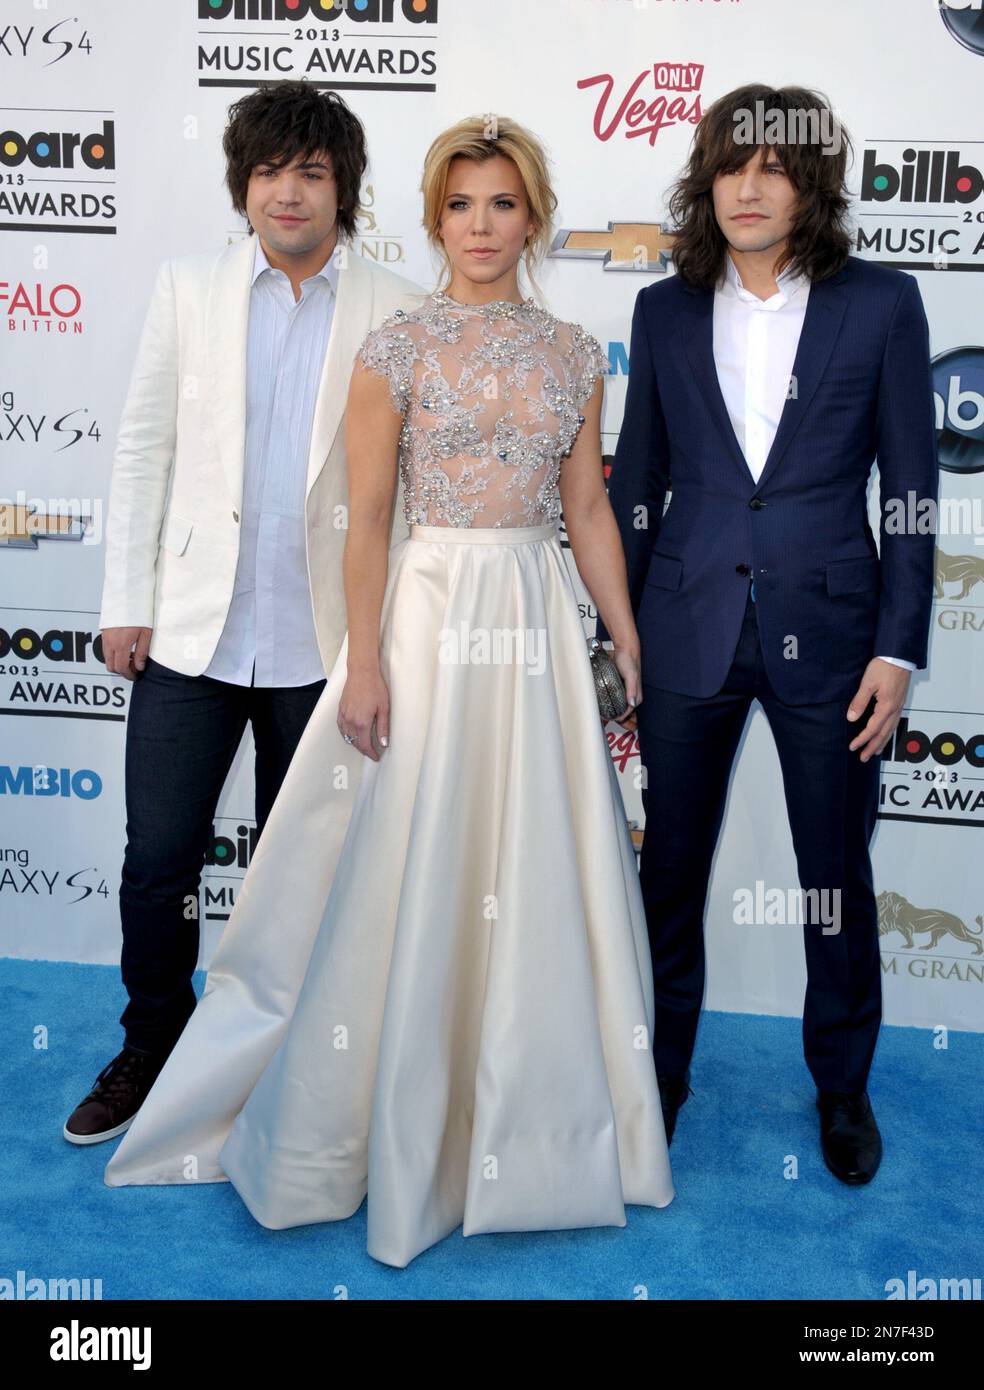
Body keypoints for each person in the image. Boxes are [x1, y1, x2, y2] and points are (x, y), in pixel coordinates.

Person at [100, 115, 675, 1268]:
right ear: (432, 219)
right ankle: (307, 1092)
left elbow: (590, 510)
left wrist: (623, 629)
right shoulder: (397, 346)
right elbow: (367, 521)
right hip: (424, 615)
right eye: (460, 206)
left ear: (533, 217)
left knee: (532, 863)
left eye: (502, 204)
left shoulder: (571, 351)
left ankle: (527, 1119)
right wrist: (365, 660)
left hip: (531, 624)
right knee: (400, 862)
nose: (480, 225)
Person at [64, 81, 424, 1145]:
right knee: (161, 855)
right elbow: (143, 450)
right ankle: (152, 1043)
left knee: (300, 866)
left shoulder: (397, 309)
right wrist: (127, 599)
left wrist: (382, 644)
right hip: (191, 634)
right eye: (270, 171)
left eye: (311, 172)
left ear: (343, 189)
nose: (288, 192)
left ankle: (286, 1064)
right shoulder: (187, 288)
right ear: (244, 186)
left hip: (324, 642)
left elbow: (402, 495)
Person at [596, 84, 938, 1182]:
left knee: (832, 875)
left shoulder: (880, 305)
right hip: (684, 629)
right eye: (732, 164)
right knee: (669, 876)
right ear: (708, 180)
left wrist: (899, 646)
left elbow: (911, 489)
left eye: (775, 167)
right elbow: (637, 475)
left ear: (811, 184)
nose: (749, 186)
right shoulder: (662, 310)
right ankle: (658, 1075)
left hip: (835, 639)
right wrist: (622, 640)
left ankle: (842, 1090)